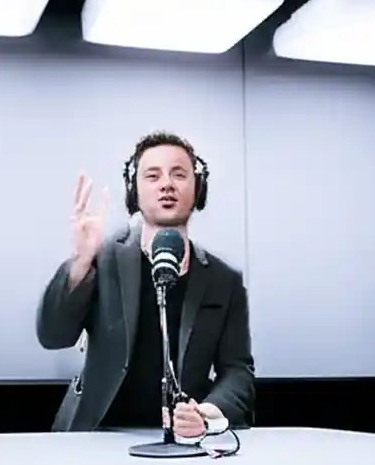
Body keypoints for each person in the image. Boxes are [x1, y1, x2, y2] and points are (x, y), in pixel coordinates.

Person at [37, 131, 255, 440]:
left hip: (183, 440)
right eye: (152, 176)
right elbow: (52, 335)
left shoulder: (224, 280)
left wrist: (208, 413)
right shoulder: (103, 258)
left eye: (179, 174)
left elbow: (238, 371)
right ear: (134, 191)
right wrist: (80, 263)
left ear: (198, 189)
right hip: (96, 433)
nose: (167, 184)